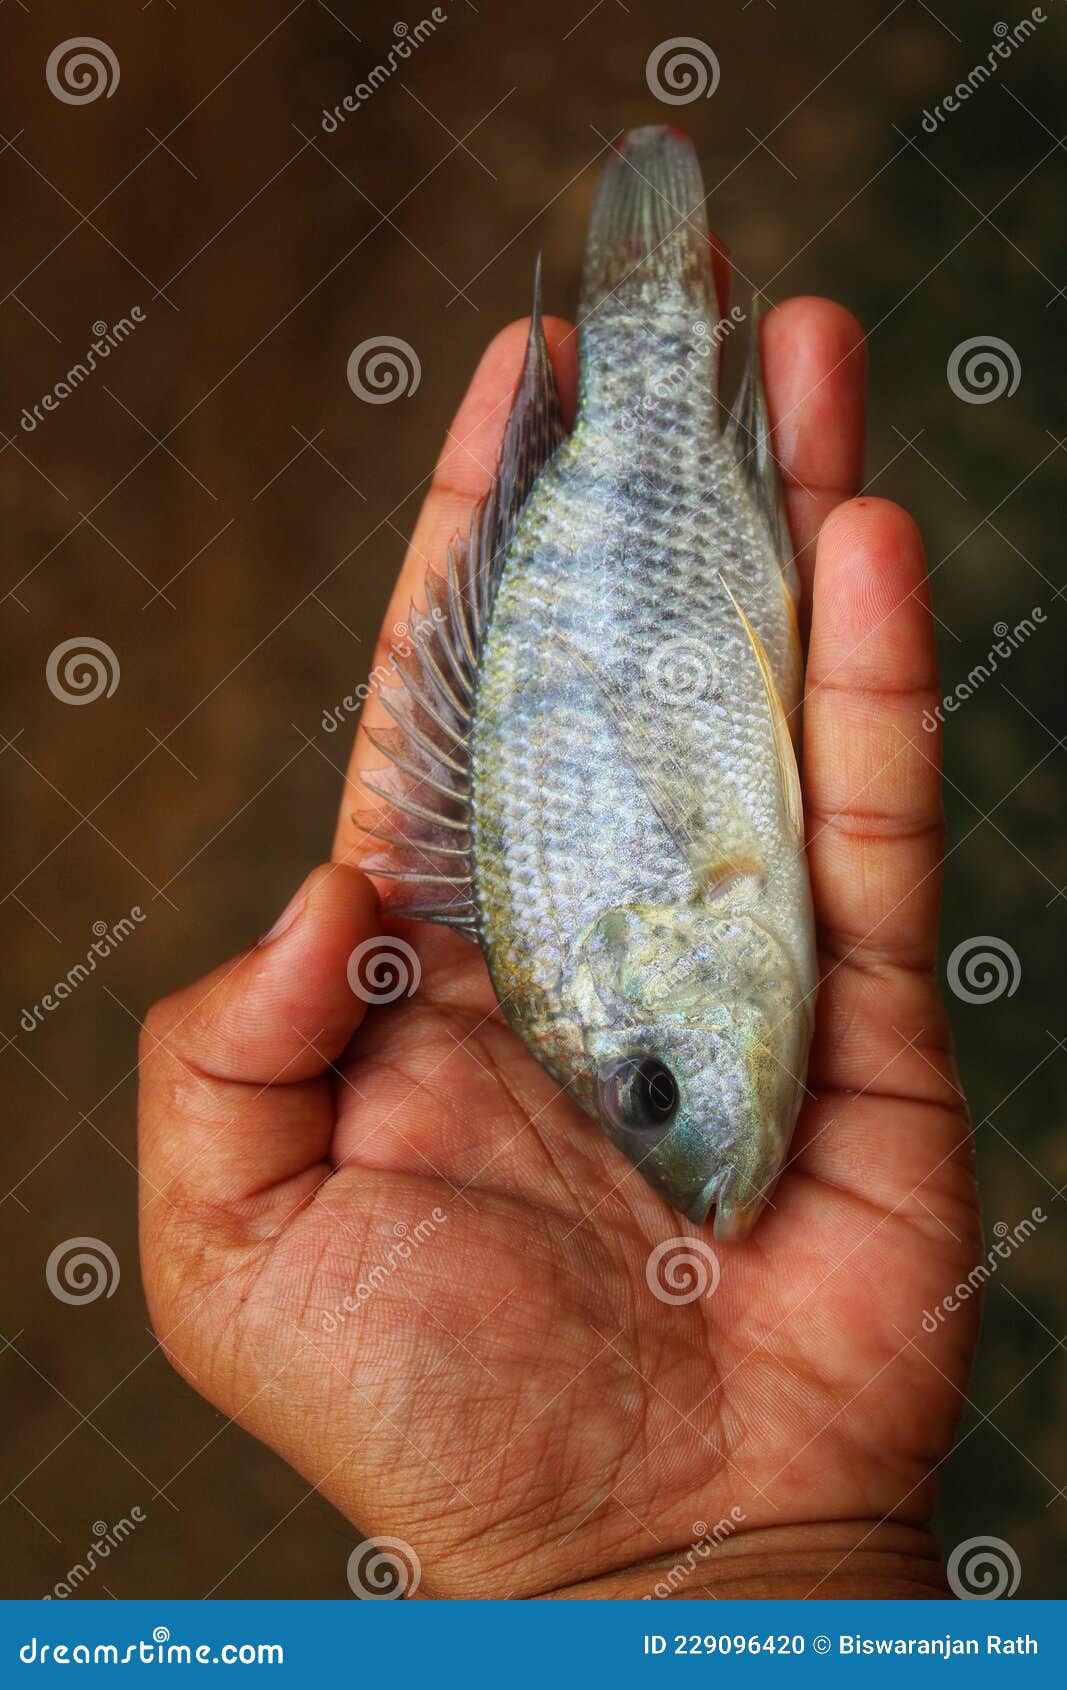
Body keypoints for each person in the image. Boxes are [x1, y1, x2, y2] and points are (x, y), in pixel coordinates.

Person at [137, 293, 979, 1600]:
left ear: (670, 941)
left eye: (652, 1088)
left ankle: (642, 341)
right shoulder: (648, 958)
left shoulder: (699, 919)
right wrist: (723, 1552)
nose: (682, 1142)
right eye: (656, 1096)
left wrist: (593, 1573)